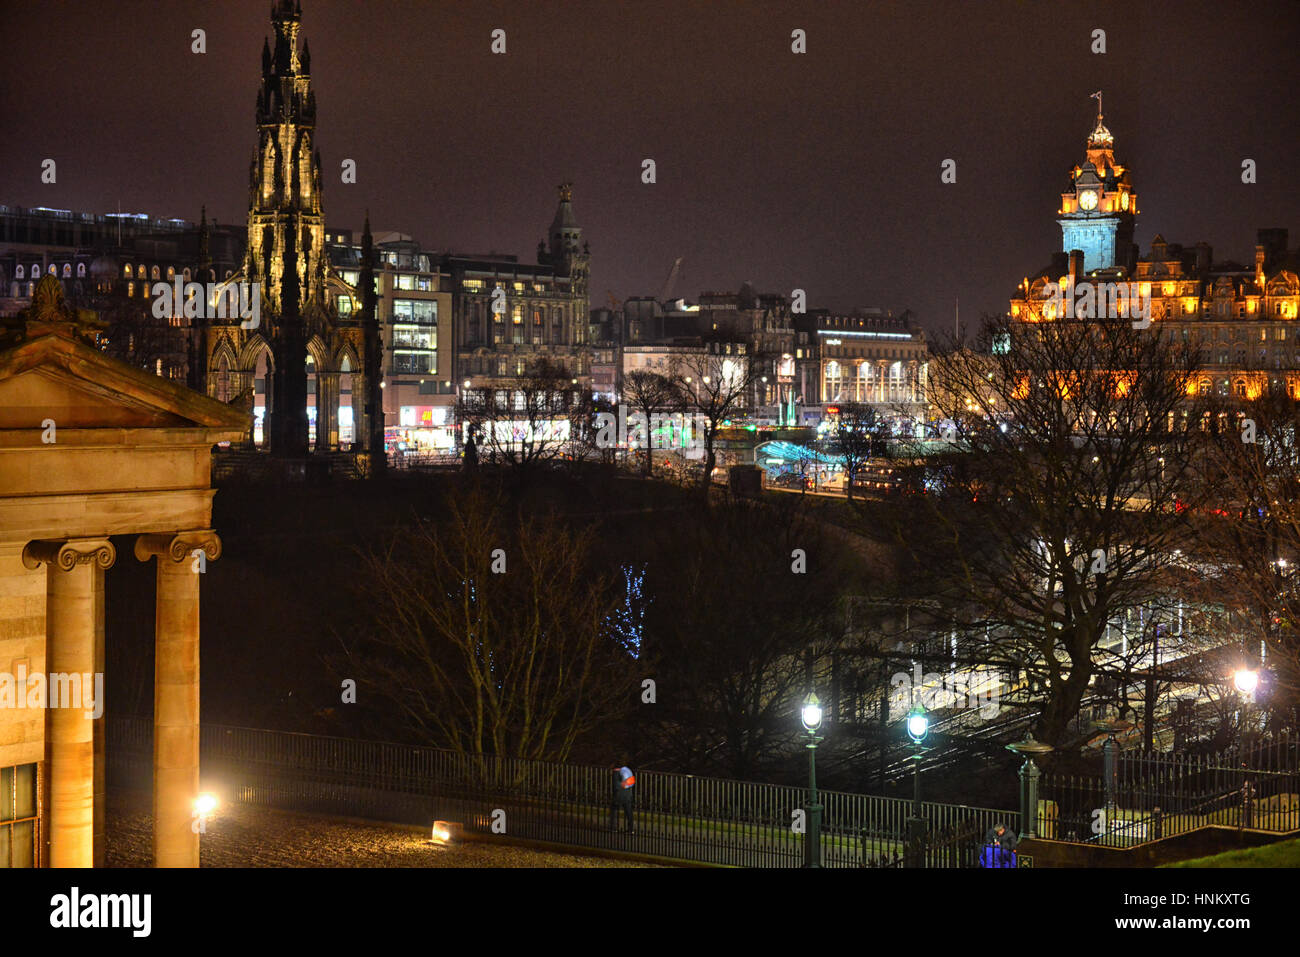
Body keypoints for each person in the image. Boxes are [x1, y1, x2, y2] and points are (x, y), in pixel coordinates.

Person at [610, 764, 636, 833]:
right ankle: (631, 829)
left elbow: (616, 786)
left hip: (619, 796)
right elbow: (632, 782)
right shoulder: (628, 771)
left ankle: (614, 828)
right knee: (628, 812)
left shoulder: (616, 773)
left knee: (614, 810)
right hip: (628, 795)